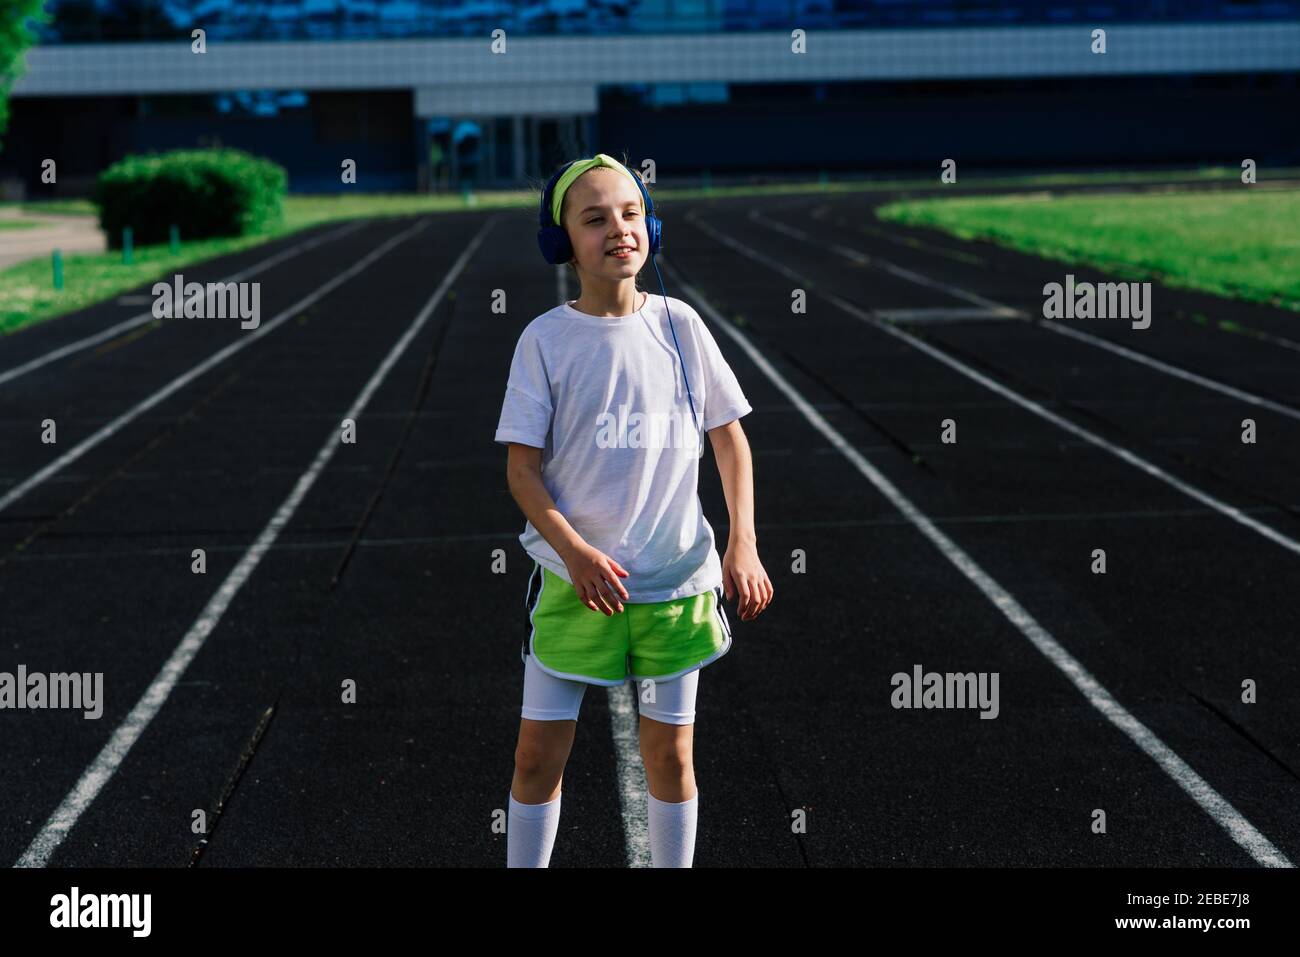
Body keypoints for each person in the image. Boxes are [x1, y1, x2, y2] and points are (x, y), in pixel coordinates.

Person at [494, 152, 773, 867]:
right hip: (571, 585)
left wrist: (743, 543)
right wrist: (576, 553)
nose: (617, 229)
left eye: (629, 213)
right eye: (594, 219)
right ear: (562, 242)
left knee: (671, 757)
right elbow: (522, 472)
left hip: (675, 583)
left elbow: (730, 440)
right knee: (535, 757)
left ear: (651, 226)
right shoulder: (545, 341)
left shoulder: (683, 326)